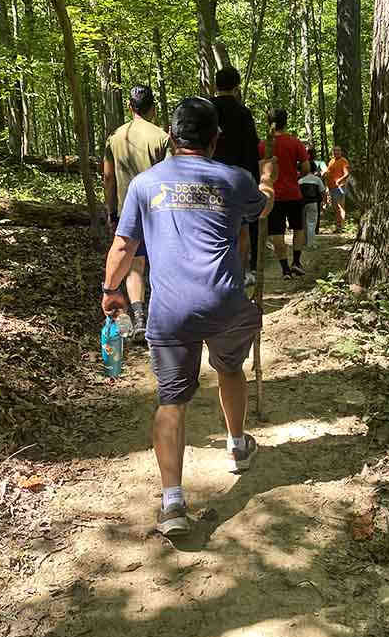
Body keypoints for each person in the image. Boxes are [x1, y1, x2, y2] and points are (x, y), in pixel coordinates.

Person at [101, 97, 277, 536]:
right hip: (225, 304)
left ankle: (173, 503)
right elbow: (262, 208)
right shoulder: (234, 179)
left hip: (170, 309)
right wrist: (269, 180)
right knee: (230, 368)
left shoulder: (145, 184)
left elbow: (123, 248)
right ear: (215, 139)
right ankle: (237, 446)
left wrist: (111, 291)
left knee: (171, 399)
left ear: (173, 138)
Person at [104, 85, 168, 342]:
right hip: (160, 211)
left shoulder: (115, 137)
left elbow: (108, 177)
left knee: (135, 265)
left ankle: (140, 318)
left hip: (128, 210)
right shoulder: (162, 137)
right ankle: (162, 318)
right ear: (153, 107)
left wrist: (111, 210)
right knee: (162, 264)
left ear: (130, 108)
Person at [211, 66, 261, 287]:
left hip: (208, 178)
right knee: (242, 230)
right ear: (237, 86)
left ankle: (216, 275)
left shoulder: (207, 109)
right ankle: (239, 275)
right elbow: (252, 148)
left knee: (213, 229)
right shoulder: (243, 113)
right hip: (237, 179)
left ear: (215, 85)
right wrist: (255, 181)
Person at [258, 109, 310, 278]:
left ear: (268, 122)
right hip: (294, 193)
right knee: (298, 228)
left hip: (272, 196)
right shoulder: (295, 142)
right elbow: (306, 168)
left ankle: (285, 269)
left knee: (276, 232)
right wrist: (296, 177)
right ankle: (296, 262)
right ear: (286, 122)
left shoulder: (263, 145)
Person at [324, 145, 350, 233]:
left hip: (340, 187)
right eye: (335, 151)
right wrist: (327, 186)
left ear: (341, 152)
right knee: (335, 208)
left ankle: (342, 227)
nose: (336, 152)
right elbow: (328, 173)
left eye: (338, 151)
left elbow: (347, 174)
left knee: (341, 207)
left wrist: (339, 180)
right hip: (331, 188)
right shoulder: (331, 161)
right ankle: (337, 226)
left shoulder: (343, 161)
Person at [298, 167, 325, 248]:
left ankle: (304, 242)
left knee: (303, 224)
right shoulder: (317, 179)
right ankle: (311, 243)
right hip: (313, 203)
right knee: (312, 224)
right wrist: (324, 202)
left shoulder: (300, 180)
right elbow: (323, 192)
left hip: (301, 204)